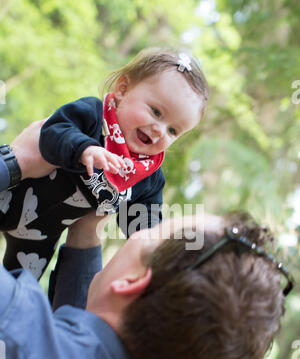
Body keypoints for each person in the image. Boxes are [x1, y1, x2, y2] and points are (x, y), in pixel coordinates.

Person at [0, 123, 292, 359]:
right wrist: (86, 232)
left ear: (134, 282)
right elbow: (81, 357)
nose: (139, 233)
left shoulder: (10, 322)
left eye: (152, 232)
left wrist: (15, 162)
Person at [0, 47, 209, 279]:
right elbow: (53, 131)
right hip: (10, 194)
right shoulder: (93, 117)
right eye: (156, 112)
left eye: (173, 130)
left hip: (39, 237)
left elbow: (141, 217)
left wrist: (155, 243)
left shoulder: (147, 176)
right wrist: (84, 148)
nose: (159, 130)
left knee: (18, 288)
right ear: (123, 89)